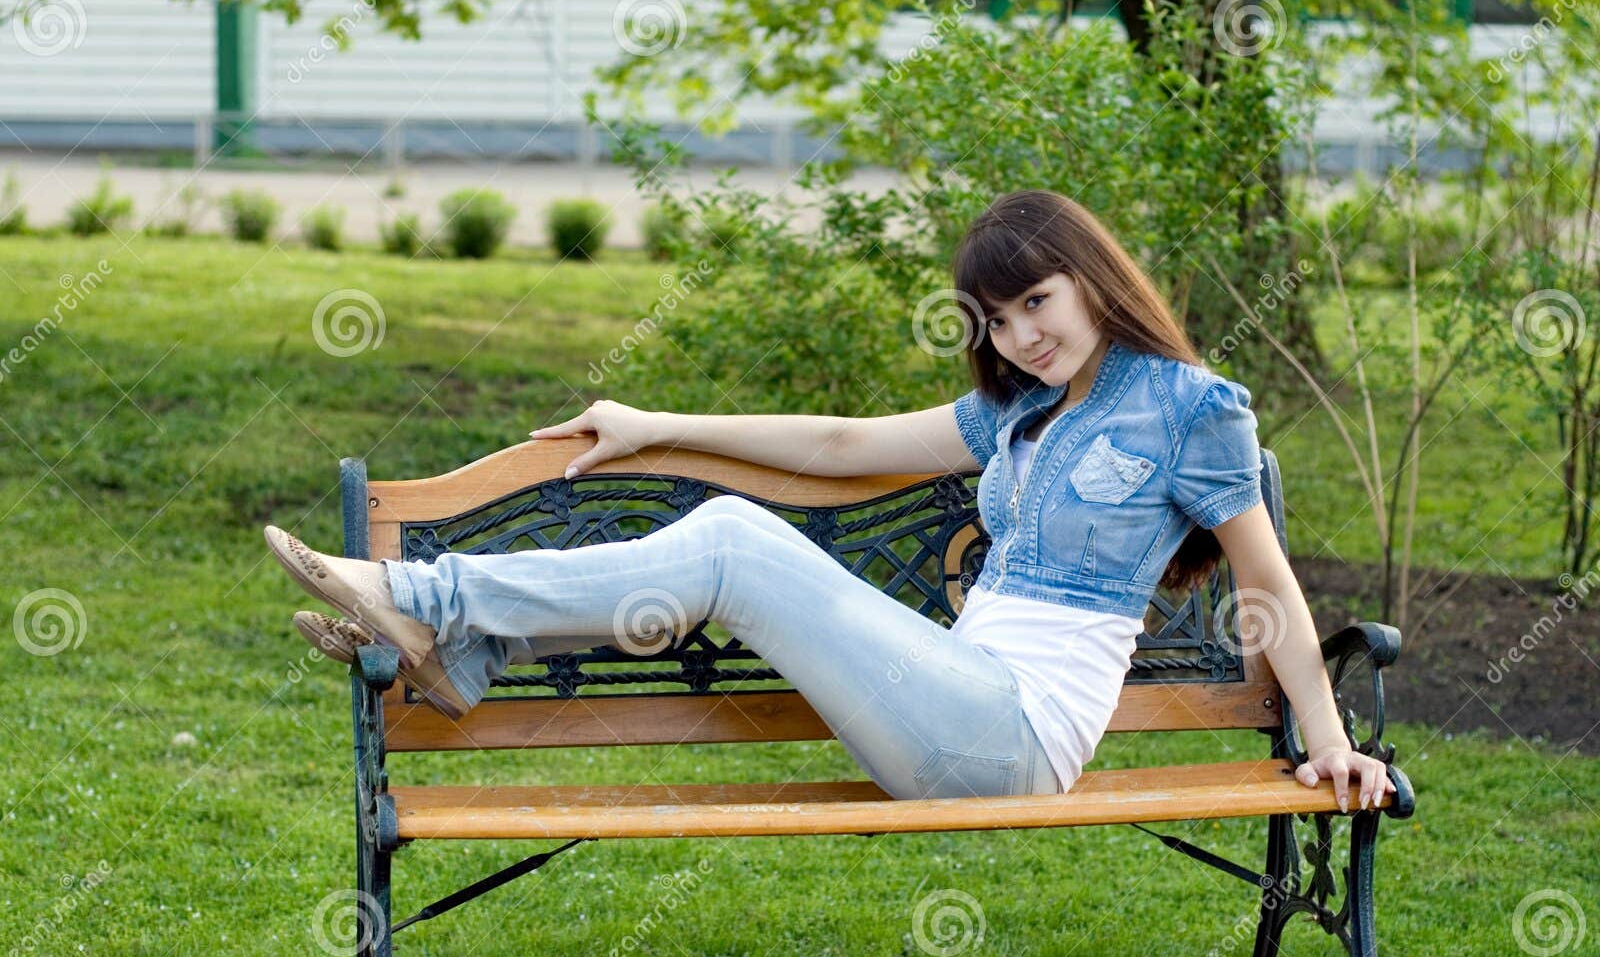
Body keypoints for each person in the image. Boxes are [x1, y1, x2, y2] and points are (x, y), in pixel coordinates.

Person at [265, 188, 1396, 813]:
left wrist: (1331, 738)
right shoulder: (1018, 409)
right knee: (734, 537)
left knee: (734, 545)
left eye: (1036, 301)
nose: (1020, 335)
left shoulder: (1194, 409)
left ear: (1092, 277)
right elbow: (842, 441)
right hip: (958, 693)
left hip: (1011, 736)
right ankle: (457, 649)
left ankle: (414, 591)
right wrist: (658, 423)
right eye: (996, 319)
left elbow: (1268, 588)